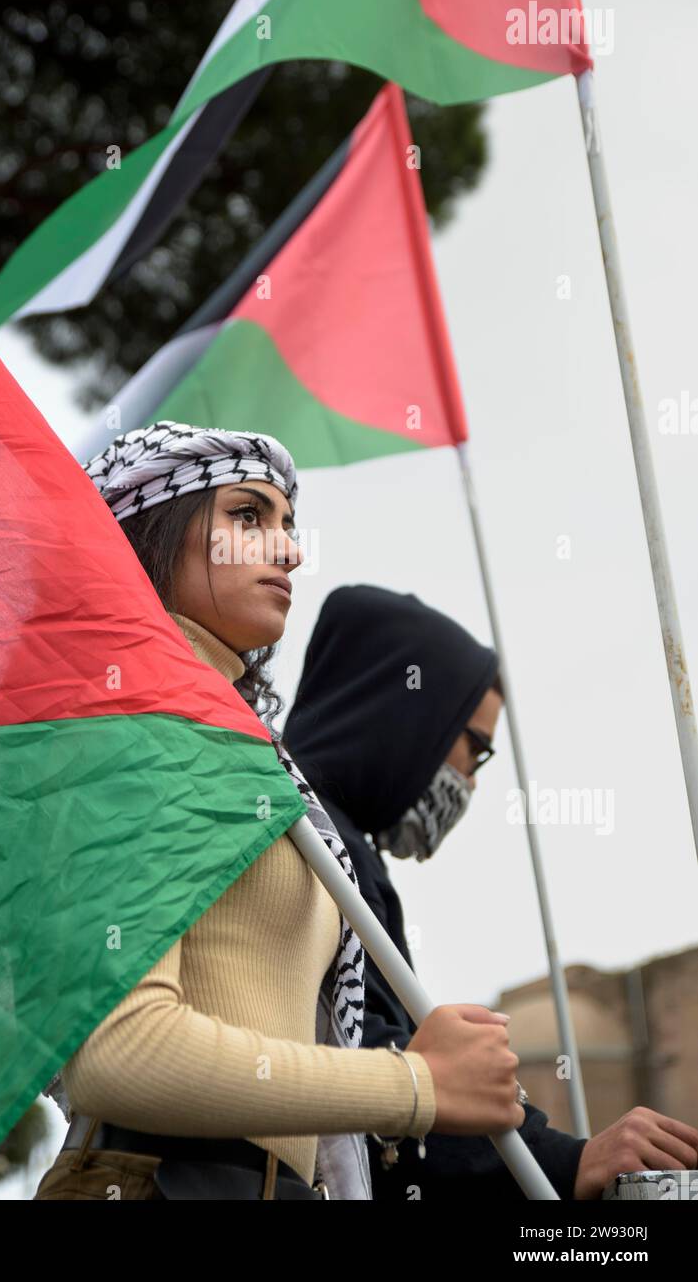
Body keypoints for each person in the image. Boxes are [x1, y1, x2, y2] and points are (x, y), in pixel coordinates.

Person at [34, 422, 525, 1202]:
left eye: (289, 524)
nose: (290, 550)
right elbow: (120, 1054)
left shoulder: (233, 748)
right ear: (153, 530)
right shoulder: (136, 731)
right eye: (248, 516)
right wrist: (416, 1086)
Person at [283, 583, 698, 1200]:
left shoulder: (345, 850)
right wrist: (568, 1160)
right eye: (473, 749)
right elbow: (382, 1082)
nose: (470, 783)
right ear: (408, 716)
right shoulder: (305, 844)